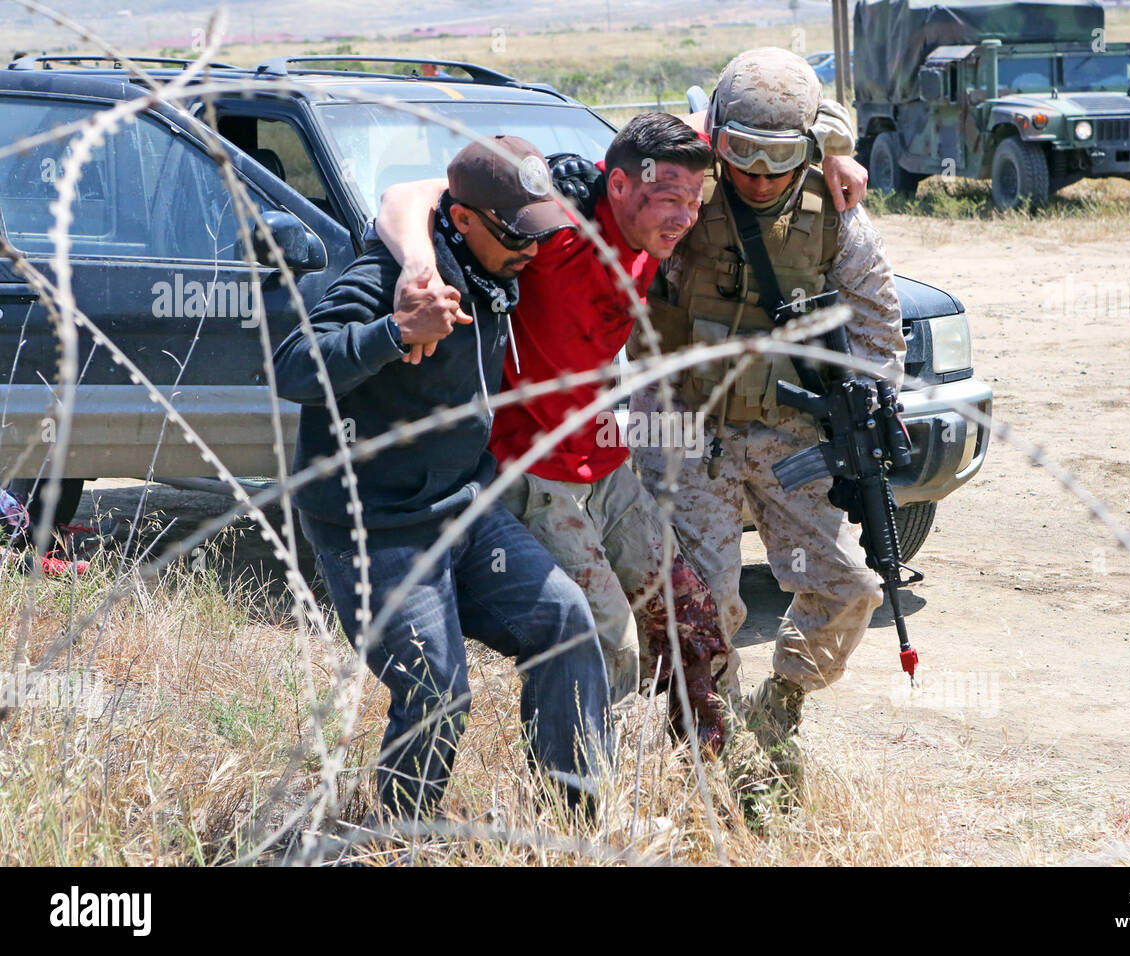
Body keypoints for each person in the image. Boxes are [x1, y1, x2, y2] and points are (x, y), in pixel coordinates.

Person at [375, 102, 871, 754]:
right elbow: (406, 192)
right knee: (605, 632)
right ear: (618, 185)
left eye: (693, 199)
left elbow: (735, 114)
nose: (683, 216)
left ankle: (712, 766)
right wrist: (416, 264)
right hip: (533, 466)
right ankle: (572, 798)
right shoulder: (558, 227)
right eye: (666, 198)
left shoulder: (659, 192)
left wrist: (831, 150)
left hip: (602, 460)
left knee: (693, 616)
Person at [273, 135, 611, 820]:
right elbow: (294, 367)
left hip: (463, 507)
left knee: (568, 623)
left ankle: (572, 823)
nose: (533, 252)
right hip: (377, 526)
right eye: (519, 237)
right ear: (464, 222)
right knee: (436, 688)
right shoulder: (388, 279)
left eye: (540, 234)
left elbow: (424, 188)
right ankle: (399, 842)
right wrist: (396, 332)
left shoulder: (484, 257)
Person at [629, 48, 907, 764]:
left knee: (850, 588)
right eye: (741, 154)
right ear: (717, 137)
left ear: (810, 147)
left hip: (789, 435)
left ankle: (779, 706)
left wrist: (870, 410)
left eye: (779, 157)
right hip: (687, 427)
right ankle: (708, 745)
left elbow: (878, 327)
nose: (757, 175)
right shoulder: (684, 198)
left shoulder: (834, 214)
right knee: (709, 609)